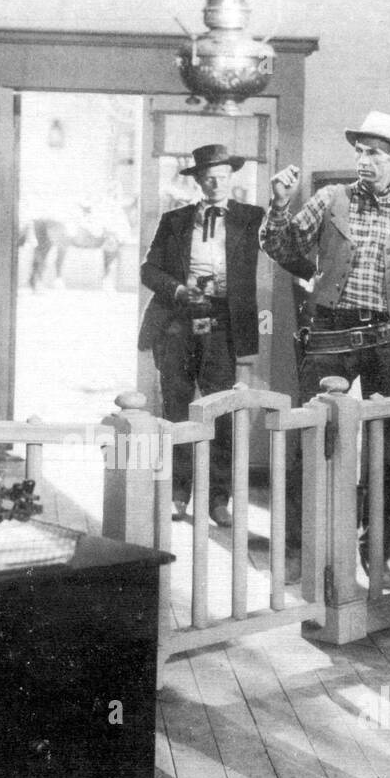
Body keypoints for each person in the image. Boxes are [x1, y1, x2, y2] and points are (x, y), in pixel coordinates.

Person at [260, 111, 390, 583]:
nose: (365, 160)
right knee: (310, 443)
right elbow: (280, 246)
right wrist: (278, 204)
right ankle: (301, 550)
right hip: (328, 338)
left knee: (389, 450)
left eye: (375, 152)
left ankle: (379, 550)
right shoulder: (328, 199)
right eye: (360, 151)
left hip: (389, 342)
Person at [137, 143, 269, 527]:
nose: (215, 183)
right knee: (176, 409)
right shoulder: (175, 220)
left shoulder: (251, 218)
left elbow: (279, 235)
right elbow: (149, 270)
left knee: (220, 412)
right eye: (208, 176)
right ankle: (178, 494)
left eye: (222, 176)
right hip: (179, 322)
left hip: (222, 324)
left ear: (231, 178)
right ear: (198, 180)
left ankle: (216, 500)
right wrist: (177, 290)